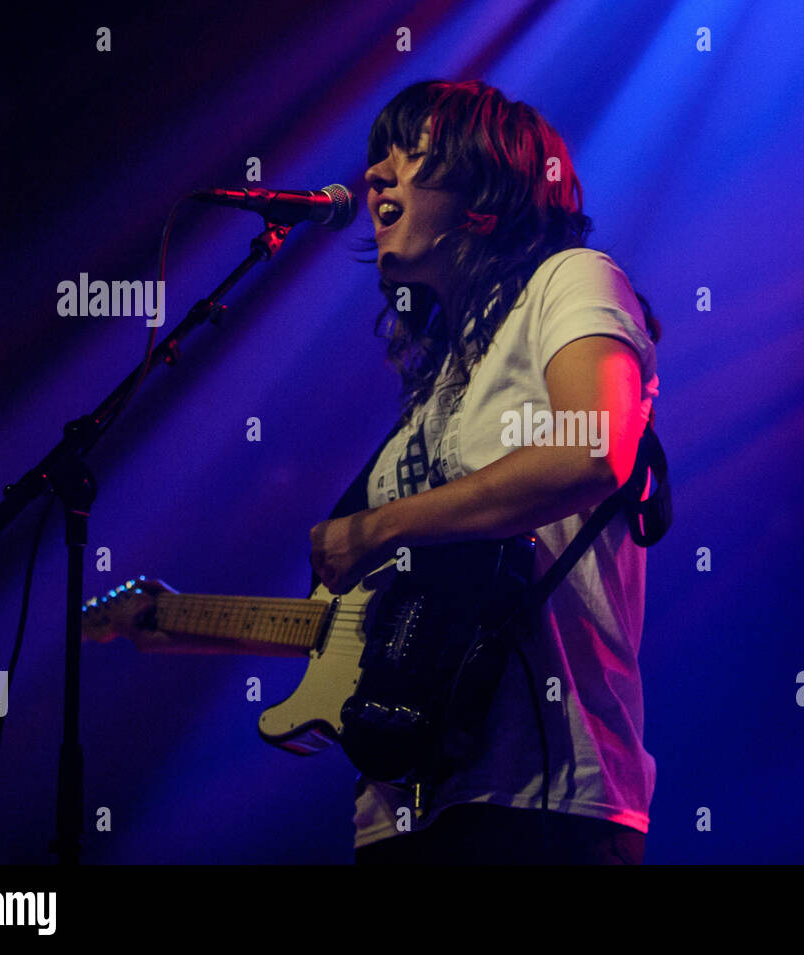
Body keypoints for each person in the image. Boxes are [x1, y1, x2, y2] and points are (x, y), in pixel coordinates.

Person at [308, 79, 661, 864]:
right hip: (405, 806)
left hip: (542, 796)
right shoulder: (438, 379)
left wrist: (380, 526)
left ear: (484, 187)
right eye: (376, 159)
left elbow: (593, 447)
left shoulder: (570, 282)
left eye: (412, 153)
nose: (375, 177)